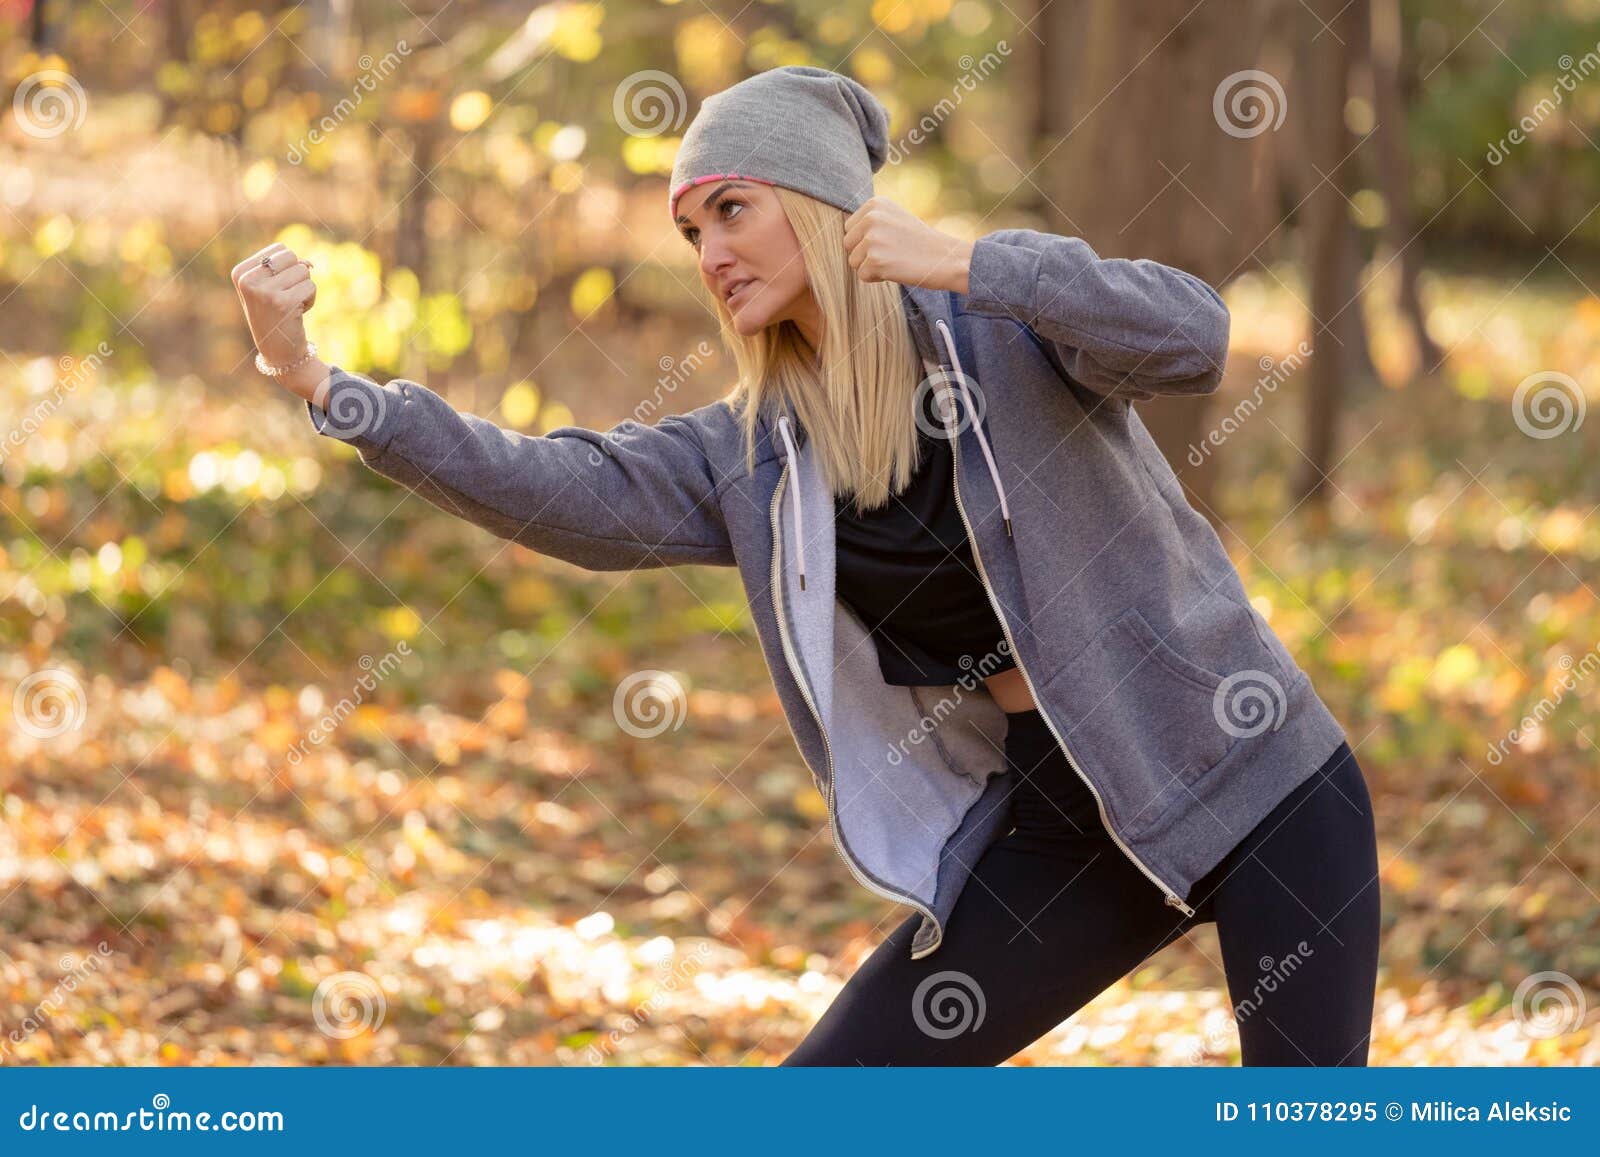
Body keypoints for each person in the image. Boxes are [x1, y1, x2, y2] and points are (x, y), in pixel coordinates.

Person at [232, 65, 1380, 1066]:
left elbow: (1195, 337)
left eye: (732, 210)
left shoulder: (1002, 333)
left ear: (827, 204)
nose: (710, 253)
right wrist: (324, 385)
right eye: (692, 233)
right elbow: (556, 488)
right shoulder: (752, 459)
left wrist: (978, 263)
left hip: (1259, 783)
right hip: (1064, 836)